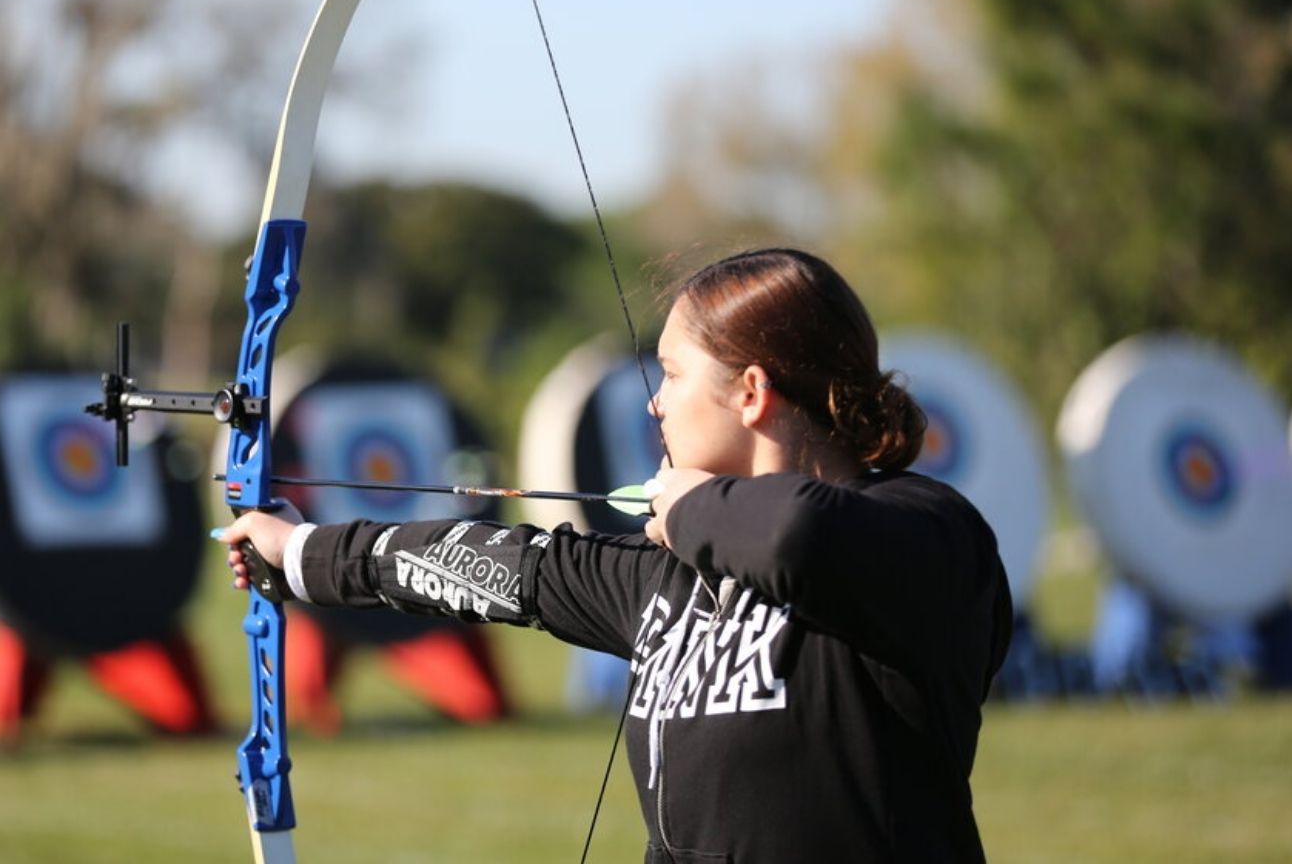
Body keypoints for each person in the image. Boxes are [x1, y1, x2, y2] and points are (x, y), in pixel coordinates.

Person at [220, 247, 1013, 863]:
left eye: (672, 373)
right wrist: (301, 552)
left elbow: (798, 538)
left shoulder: (926, 532)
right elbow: (498, 568)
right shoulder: (666, 575)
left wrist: (689, 505)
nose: (654, 401)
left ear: (751, 392)